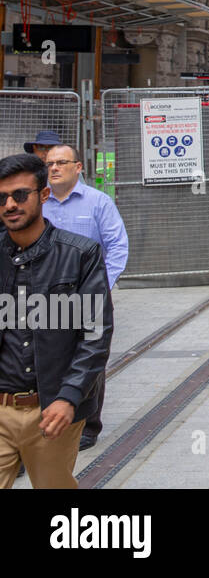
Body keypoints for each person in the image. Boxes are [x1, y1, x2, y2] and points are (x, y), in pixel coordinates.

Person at [0, 154, 113, 488]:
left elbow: (95, 335)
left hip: (52, 410)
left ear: (44, 195)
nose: (9, 205)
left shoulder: (80, 254)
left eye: (20, 195)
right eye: (2, 198)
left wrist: (68, 396)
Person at [41, 145, 129, 448]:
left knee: (90, 354)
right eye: (49, 163)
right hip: (47, 297)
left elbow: (117, 245)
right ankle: (49, 419)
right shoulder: (40, 203)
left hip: (89, 295)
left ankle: (88, 424)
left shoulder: (98, 203)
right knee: (48, 355)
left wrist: (102, 286)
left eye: (61, 163)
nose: (53, 168)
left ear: (78, 167)